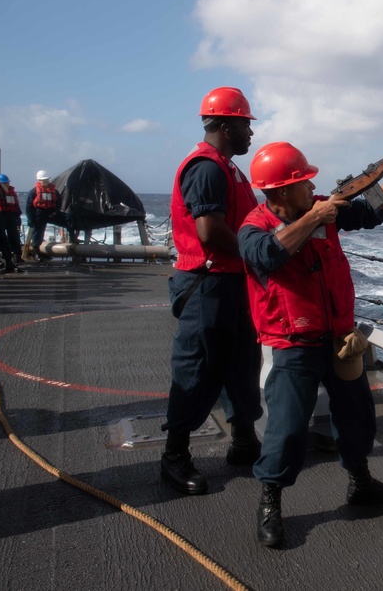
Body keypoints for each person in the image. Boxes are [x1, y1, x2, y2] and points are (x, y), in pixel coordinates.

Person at [238, 140, 383, 548]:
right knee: (285, 429)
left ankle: (361, 482)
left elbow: (372, 214)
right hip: (293, 342)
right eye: (303, 182)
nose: (312, 188)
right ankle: (271, 501)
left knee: (357, 416)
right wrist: (314, 216)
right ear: (281, 191)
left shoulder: (323, 208)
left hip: (340, 337)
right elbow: (264, 256)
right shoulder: (254, 227)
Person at [161, 86, 263, 496]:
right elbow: (211, 231)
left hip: (232, 281)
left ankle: (243, 440)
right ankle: (174, 455)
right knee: (199, 367)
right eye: (244, 125)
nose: (250, 134)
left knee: (241, 361)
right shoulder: (206, 168)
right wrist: (263, 251)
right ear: (224, 126)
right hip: (208, 283)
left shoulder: (229, 168)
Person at [26, 170, 60, 260]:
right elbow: (29, 206)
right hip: (39, 213)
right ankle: (38, 252)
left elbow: (59, 202)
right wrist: (30, 219)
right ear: (39, 181)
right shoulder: (33, 192)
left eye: (47, 180)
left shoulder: (54, 191)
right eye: (44, 180)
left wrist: (55, 212)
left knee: (67, 221)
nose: (46, 182)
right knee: (38, 234)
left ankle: (72, 240)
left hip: (51, 213)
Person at [0, 174, 24, 263]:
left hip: (11, 215)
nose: (5, 185)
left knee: (14, 236)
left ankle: (17, 254)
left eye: (6, 183)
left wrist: (18, 217)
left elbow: (16, 205)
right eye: (3, 183)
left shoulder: (12, 192)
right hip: (0, 215)